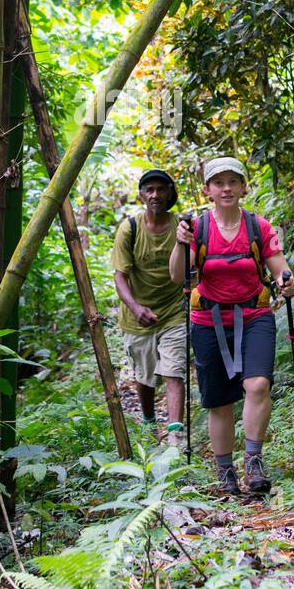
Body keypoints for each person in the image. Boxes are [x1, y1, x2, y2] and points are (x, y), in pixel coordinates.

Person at [169, 156, 294, 496]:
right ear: (207, 190)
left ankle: (253, 462)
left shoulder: (259, 227)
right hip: (208, 321)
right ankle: (225, 471)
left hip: (255, 316)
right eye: (218, 182)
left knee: (257, 385)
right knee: (219, 401)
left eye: (232, 181)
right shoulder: (197, 228)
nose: (226, 188)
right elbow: (177, 277)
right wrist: (181, 244)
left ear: (243, 187)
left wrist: (288, 284)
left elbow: (281, 272)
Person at [112, 169, 186, 445]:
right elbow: (120, 276)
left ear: (169, 193)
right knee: (145, 377)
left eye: (160, 189)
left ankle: (175, 437)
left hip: (174, 312)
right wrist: (135, 307)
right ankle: (149, 422)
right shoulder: (129, 229)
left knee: (174, 369)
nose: (155, 195)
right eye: (149, 190)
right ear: (141, 195)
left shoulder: (181, 226)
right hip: (137, 316)